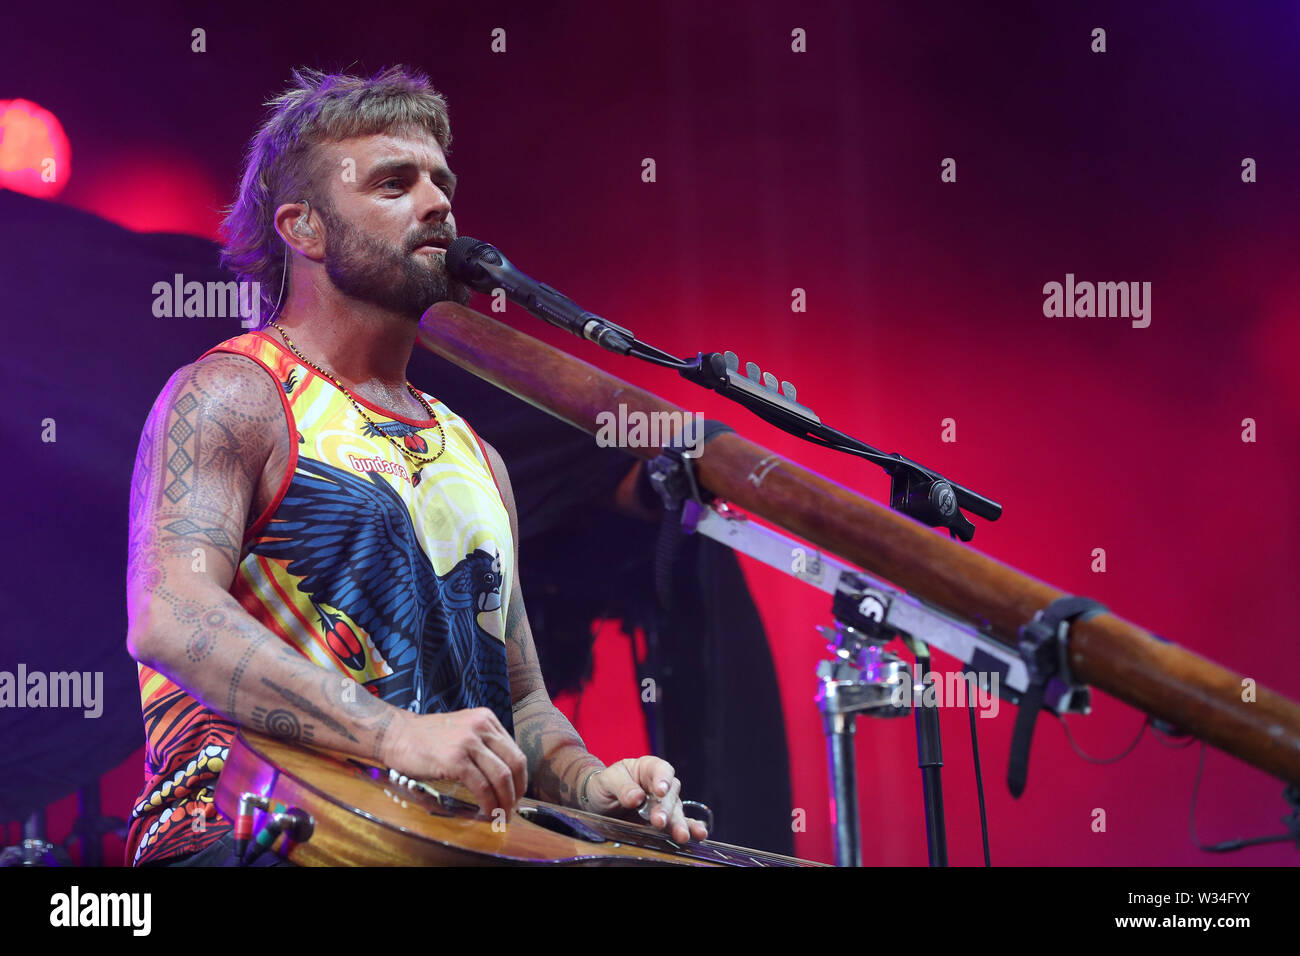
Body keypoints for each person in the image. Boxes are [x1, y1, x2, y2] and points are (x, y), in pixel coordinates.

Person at [124, 65, 708, 866]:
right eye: (395, 183)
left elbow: (523, 698)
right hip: (252, 839)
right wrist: (393, 733)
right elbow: (169, 615)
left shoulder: (478, 454)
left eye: (442, 181)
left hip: (440, 846)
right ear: (305, 229)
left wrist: (588, 782)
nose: (438, 203)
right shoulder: (235, 393)